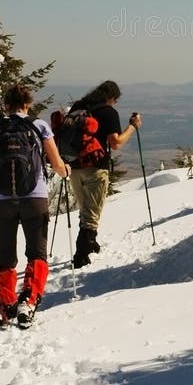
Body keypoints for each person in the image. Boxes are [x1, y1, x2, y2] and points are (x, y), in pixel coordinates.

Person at [0, 84, 70, 327]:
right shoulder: (38, 126)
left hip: (4, 200)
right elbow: (57, 164)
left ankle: (8, 307)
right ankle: (29, 300)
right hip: (35, 197)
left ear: (6, 105)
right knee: (37, 253)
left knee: (6, 256)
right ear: (28, 104)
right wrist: (65, 171)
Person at [67, 79, 142, 268]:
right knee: (92, 215)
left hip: (74, 168)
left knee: (85, 210)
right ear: (112, 98)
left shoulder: (78, 107)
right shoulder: (108, 112)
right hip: (96, 168)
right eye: (115, 100)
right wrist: (132, 126)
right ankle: (80, 256)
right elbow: (116, 143)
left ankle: (90, 244)